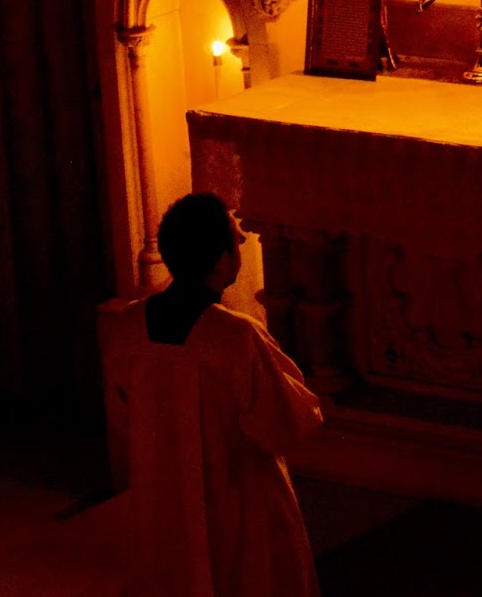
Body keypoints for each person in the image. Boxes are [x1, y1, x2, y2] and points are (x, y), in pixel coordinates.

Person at [105, 192, 323, 597]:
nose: (241, 245)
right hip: (238, 503)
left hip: (160, 500)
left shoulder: (129, 328)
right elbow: (286, 423)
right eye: (236, 238)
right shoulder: (234, 337)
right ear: (221, 260)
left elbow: (123, 419)